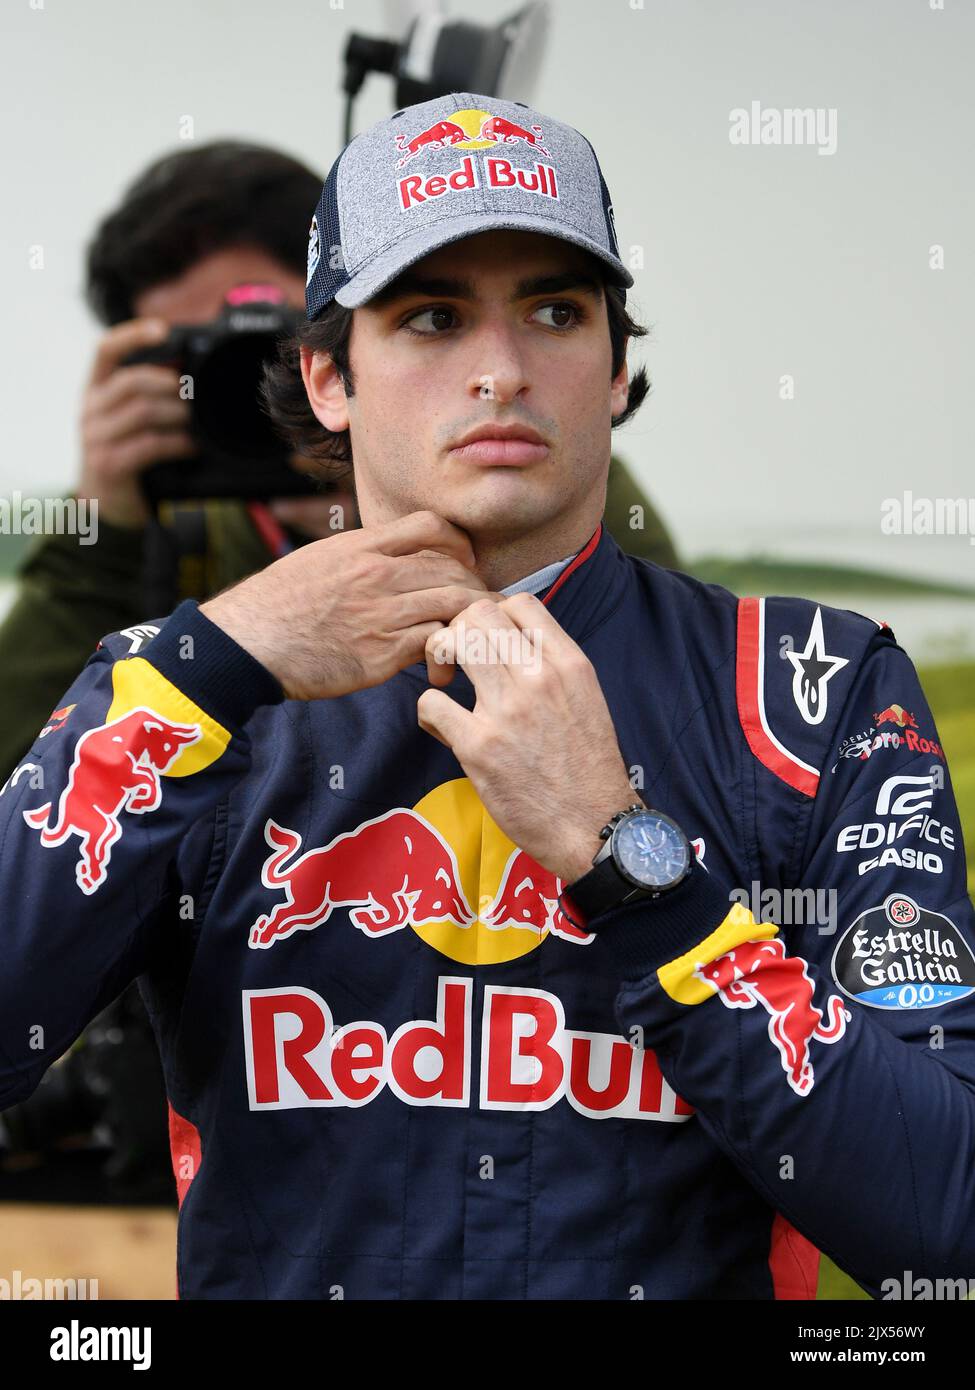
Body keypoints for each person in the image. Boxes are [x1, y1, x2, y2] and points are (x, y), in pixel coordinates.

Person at [2, 93, 971, 1301]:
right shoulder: (186, 687)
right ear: (326, 374)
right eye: (432, 317)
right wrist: (214, 665)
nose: (501, 371)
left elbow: (947, 1234)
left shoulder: (811, 689)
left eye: (556, 311)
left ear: (617, 369)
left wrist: (631, 868)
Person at [0, 143, 679, 783]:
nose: (267, 383)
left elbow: (662, 676)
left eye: (274, 335)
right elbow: (28, 781)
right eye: (207, 358)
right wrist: (100, 530)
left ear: (336, 336)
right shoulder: (165, 515)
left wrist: (396, 487)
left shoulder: (505, 454)